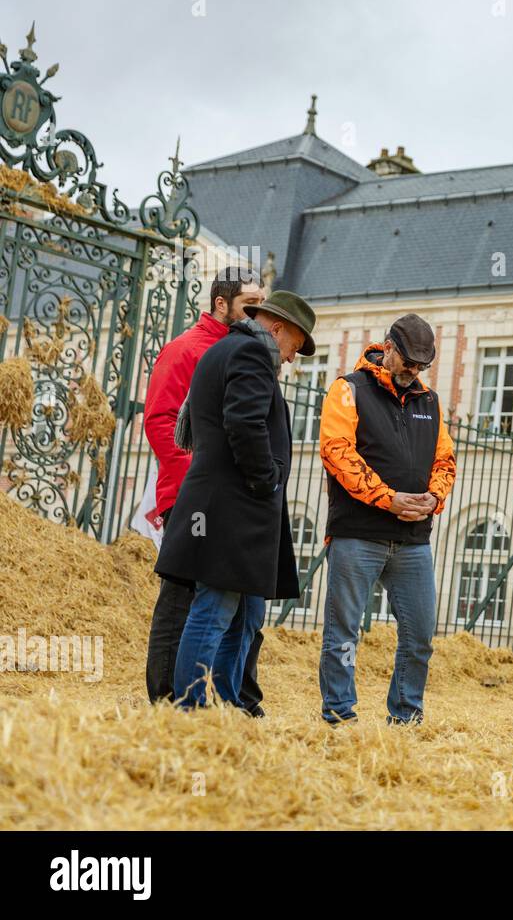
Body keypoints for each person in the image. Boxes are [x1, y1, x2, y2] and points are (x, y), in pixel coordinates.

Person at [155, 291, 317, 709]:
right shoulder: (250, 353)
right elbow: (244, 424)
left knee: (246, 615)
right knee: (213, 610)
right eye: (295, 347)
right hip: (233, 506)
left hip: (231, 504)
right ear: (277, 328)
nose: (291, 358)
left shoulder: (231, 348)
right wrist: (267, 480)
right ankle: (191, 708)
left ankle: (228, 705)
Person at [317, 315, 456, 725]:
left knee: (420, 635)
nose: (414, 372)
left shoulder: (429, 401)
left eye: (421, 366)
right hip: (357, 534)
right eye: (409, 362)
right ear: (388, 348)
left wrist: (434, 498)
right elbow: (336, 451)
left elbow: (445, 459)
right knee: (344, 631)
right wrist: (387, 498)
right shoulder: (348, 389)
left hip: (413, 538)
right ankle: (340, 715)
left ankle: (406, 716)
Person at [142, 266, 266, 712]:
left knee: (230, 604)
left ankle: (221, 698)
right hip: (191, 497)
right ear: (221, 303)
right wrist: (203, 476)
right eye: (250, 304)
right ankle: (164, 700)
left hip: (228, 500)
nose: (259, 313)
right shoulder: (184, 350)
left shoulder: (247, 352)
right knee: (181, 598)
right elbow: (159, 422)